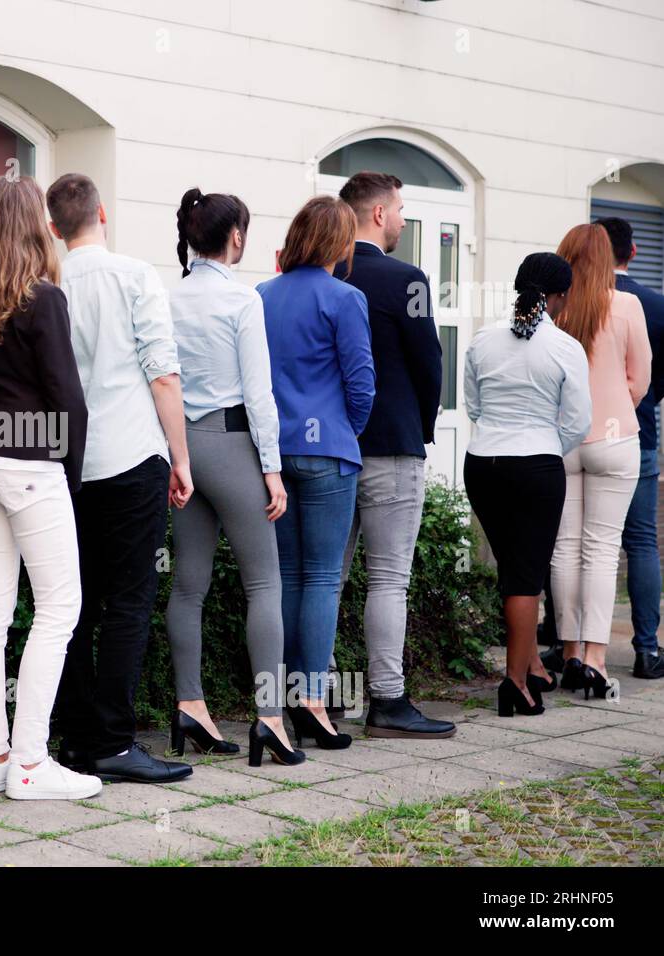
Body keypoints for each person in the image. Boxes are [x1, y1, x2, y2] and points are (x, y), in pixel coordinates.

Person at [46, 172, 195, 784]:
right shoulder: (136, 276)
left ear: (53, 226)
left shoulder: (47, 283)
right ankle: (113, 740)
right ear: (101, 214)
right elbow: (163, 373)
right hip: (133, 458)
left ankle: (77, 739)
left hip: (67, 467)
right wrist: (181, 458)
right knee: (129, 603)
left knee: (71, 606)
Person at [0, 174, 100, 800]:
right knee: (58, 608)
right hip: (31, 467)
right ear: (32, 227)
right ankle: (32, 764)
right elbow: (68, 399)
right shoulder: (43, 297)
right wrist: (70, 472)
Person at [163, 187, 303, 768]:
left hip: (181, 448)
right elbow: (259, 395)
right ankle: (270, 719)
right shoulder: (244, 301)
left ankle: (189, 707)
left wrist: (176, 456)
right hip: (231, 442)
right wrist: (272, 470)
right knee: (263, 584)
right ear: (236, 237)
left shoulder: (166, 297)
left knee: (188, 585)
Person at [334, 171, 457, 740]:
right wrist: (421, 422)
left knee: (323, 579)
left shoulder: (325, 274)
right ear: (378, 214)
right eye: (401, 210)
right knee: (388, 580)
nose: (405, 220)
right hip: (391, 444)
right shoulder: (406, 278)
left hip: (329, 450)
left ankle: (321, 699)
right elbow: (429, 362)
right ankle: (386, 699)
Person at [257, 196, 374, 751]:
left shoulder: (261, 295)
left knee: (284, 575)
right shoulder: (346, 297)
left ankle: (275, 702)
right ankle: (312, 700)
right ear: (341, 243)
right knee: (324, 577)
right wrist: (340, 429)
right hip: (328, 448)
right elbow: (361, 385)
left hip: (274, 453)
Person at [463, 252, 591, 716]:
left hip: (482, 463)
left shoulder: (482, 339)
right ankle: (515, 683)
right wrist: (544, 442)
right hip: (535, 463)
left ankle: (532, 663)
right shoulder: (564, 347)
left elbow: (472, 404)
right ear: (559, 297)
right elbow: (578, 422)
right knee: (526, 577)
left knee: (512, 567)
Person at [550, 224, 651, 698]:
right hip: (614, 438)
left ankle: (569, 653)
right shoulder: (627, 305)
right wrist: (614, 408)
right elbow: (640, 379)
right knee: (603, 551)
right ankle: (594, 658)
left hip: (563, 440)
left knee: (565, 547)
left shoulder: (556, 308)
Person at [597, 217, 664, 680]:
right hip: (638, 434)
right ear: (634, 252)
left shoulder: (574, 300)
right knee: (640, 542)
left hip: (583, 437)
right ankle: (646, 650)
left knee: (579, 544)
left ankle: (570, 646)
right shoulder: (657, 304)